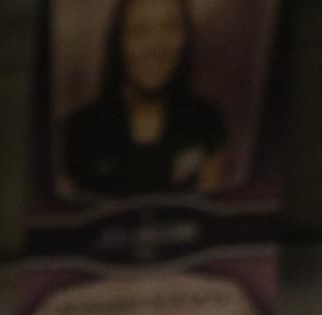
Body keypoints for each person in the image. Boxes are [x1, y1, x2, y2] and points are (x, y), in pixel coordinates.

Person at [62, 0, 230, 198]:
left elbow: (212, 217)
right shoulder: (77, 132)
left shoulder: (206, 122)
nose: (156, 45)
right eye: (140, 30)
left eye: (170, 27)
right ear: (118, 42)